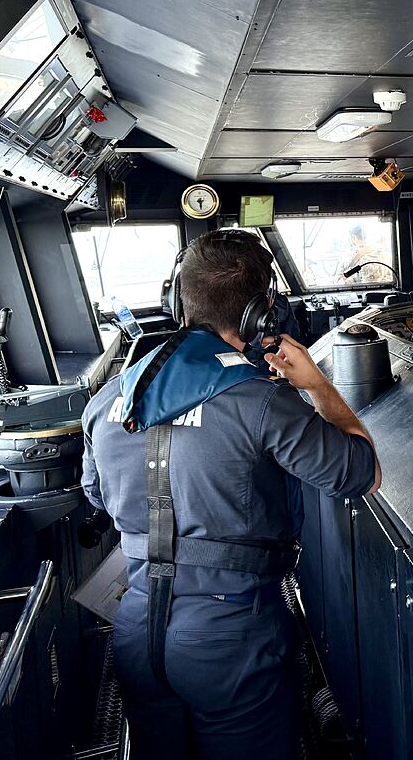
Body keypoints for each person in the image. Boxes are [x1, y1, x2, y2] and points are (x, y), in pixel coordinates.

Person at [80, 230, 380, 759]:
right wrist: (317, 385)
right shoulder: (262, 401)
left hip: (136, 627)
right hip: (230, 634)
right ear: (262, 315)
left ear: (179, 301)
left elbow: (96, 497)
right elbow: (361, 473)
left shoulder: (106, 400)